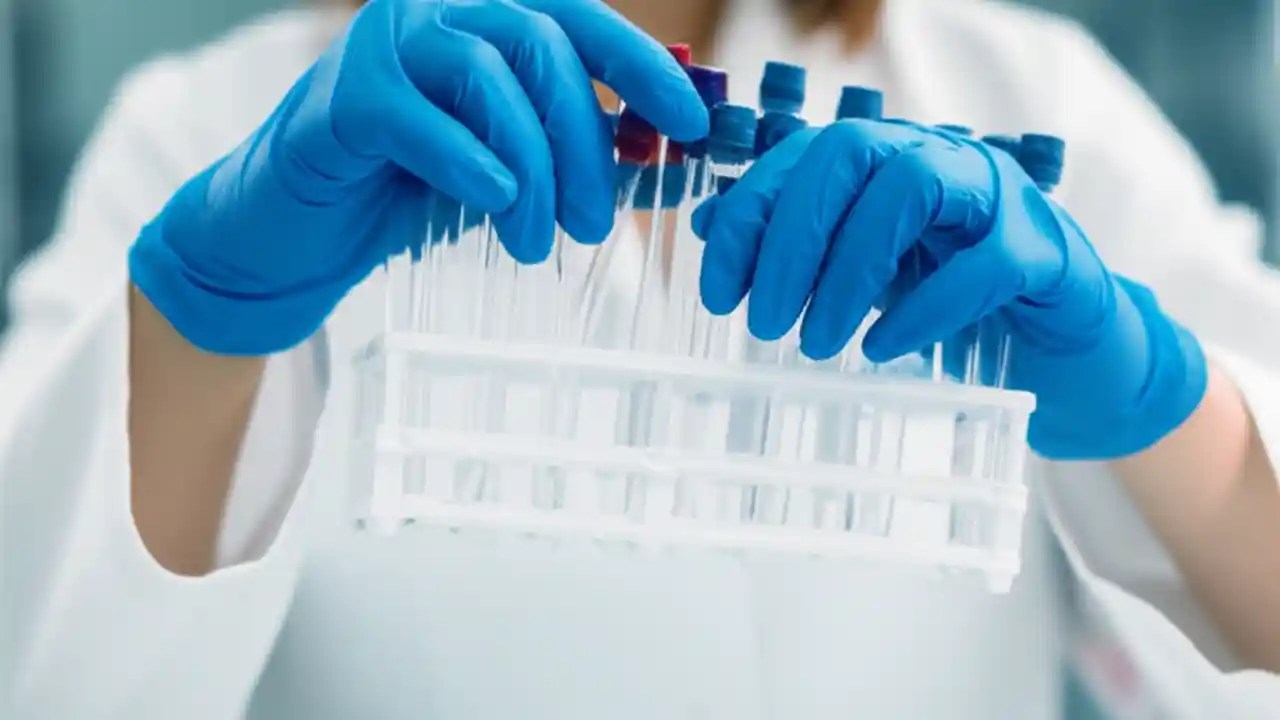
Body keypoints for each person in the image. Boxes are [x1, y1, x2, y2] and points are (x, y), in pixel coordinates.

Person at [3, 0, 1279, 716]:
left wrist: (1152, 402)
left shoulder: (1025, 90)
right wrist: (204, 319)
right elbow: (43, 670)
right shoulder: (212, 130)